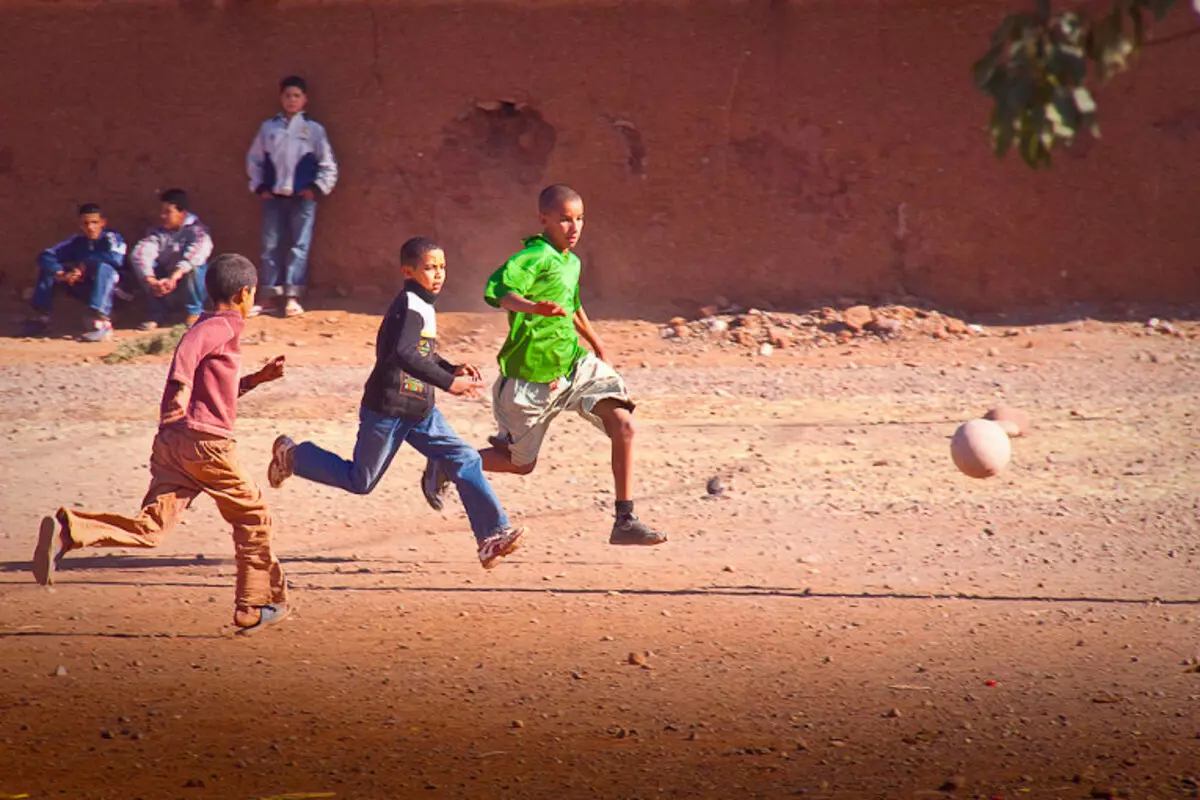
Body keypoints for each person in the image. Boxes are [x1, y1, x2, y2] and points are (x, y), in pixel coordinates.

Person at [32, 253, 291, 635]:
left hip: (175, 445)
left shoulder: (210, 323)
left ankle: (72, 531)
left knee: (151, 528)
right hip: (205, 444)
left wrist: (258, 379)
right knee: (253, 516)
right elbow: (186, 358)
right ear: (244, 293)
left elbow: (217, 392)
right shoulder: (224, 325)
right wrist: (175, 404)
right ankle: (253, 606)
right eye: (253, 295)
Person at [421, 184, 666, 547]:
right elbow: (498, 290)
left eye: (580, 218)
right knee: (520, 464)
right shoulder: (534, 256)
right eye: (565, 219)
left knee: (624, 425)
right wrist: (533, 307)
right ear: (544, 219)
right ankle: (446, 462)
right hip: (530, 378)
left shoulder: (572, 261)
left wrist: (596, 342)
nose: (574, 226)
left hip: (572, 364)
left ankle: (624, 519)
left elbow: (573, 303)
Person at [266, 237, 525, 569]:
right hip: (388, 409)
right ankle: (293, 456)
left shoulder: (422, 305)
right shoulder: (410, 304)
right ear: (408, 271)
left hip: (420, 411)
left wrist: (450, 367)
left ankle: (491, 537)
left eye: (442, 267)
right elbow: (402, 354)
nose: (439, 274)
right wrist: (450, 383)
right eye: (430, 267)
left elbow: (421, 354)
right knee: (361, 481)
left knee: (464, 457)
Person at [245, 75, 339, 319]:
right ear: (281, 98)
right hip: (273, 197)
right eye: (287, 95)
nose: (291, 100)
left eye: (296, 96)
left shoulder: (314, 130)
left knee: (299, 246)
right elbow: (254, 159)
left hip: (303, 198)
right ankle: (268, 296)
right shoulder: (269, 128)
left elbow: (327, 164)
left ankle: (292, 297)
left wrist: (316, 189)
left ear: (305, 99)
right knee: (270, 246)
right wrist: (259, 187)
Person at [20, 203, 127, 342]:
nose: (90, 227)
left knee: (104, 267)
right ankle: (41, 318)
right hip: (86, 287)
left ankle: (101, 323)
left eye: (94, 222)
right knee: (48, 269)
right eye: (85, 223)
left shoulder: (112, 238)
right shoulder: (78, 241)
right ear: (80, 225)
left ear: (103, 223)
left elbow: (116, 259)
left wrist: (83, 265)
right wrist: (61, 274)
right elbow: (46, 255)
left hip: (115, 290)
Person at [130, 188, 213, 330]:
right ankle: (157, 314)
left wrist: (174, 277)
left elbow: (196, 254)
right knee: (147, 266)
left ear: (183, 214)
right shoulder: (157, 233)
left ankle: (194, 312)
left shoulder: (198, 231)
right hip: (165, 286)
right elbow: (141, 252)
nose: (162, 216)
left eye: (168, 212)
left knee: (195, 267)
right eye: (162, 211)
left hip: (187, 285)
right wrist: (151, 280)